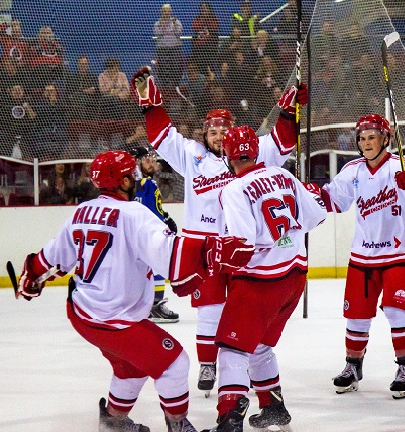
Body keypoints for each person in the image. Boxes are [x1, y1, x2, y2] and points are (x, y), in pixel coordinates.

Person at [15, 150, 253, 432]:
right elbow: (171, 257)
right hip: (113, 318)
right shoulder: (135, 215)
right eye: (132, 174)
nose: (136, 179)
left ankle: (113, 420)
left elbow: (49, 259)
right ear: (124, 179)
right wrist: (212, 250)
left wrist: (30, 279)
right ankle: (178, 424)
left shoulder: (82, 212)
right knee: (174, 363)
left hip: (82, 311)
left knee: (131, 366)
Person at [131, 66, 307, 396]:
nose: (217, 136)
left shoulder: (249, 152)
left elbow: (282, 142)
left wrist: (288, 114)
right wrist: (151, 105)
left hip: (245, 249)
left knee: (243, 315)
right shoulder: (192, 156)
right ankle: (209, 365)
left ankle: (249, 363)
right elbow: (163, 137)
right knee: (210, 312)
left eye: (222, 131)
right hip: (204, 247)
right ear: (204, 135)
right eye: (211, 132)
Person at [203, 126, 327, 432]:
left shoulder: (233, 189)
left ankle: (229, 425)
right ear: (255, 152)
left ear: (227, 157)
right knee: (258, 347)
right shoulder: (283, 175)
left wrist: (213, 253)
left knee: (232, 349)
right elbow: (317, 217)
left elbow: (243, 243)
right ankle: (274, 410)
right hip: (294, 276)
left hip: (261, 281)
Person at [314, 114, 405, 399]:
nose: (366, 142)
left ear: (386, 139)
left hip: (403, 253)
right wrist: (306, 195)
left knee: (398, 311)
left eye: (372, 136)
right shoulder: (353, 171)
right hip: (364, 255)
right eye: (361, 138)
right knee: (356, 316)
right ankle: (353, 366)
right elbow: (331, 201)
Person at [128, 145, 181, 324]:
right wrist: (164, 223)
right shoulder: (147, 184)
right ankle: (155, 305)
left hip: (130, 235)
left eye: (152, 159)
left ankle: (136, 305)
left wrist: (165, 217)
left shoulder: (128, 186)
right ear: (136, 163)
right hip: (146, 234)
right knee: (158, 265)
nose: (152, 163)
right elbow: (153, 212)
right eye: (147, 159)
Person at [153, 4, 183, 87]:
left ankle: (175, 84)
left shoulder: (176, 21)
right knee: (162, 66)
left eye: (168, 11)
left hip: (175, 48)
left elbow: (178, 33)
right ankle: (164, 84)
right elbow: (157, 33)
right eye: (164, 11)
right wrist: (163, 25)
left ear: (171, 12)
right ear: (161, 12)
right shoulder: (157, 23)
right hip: (162, 48)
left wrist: (175, 25)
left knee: (175, 66)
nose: (166, 13)